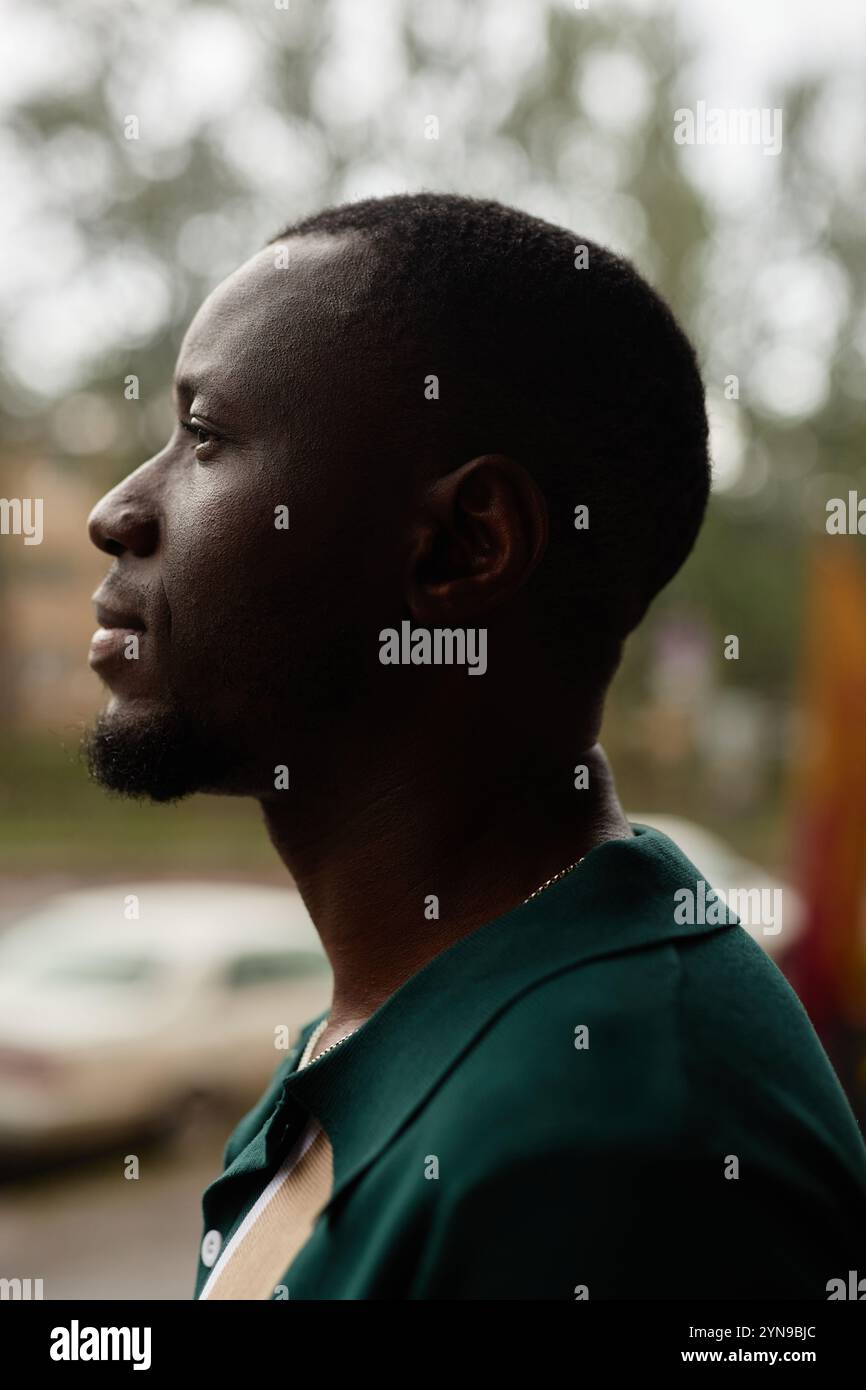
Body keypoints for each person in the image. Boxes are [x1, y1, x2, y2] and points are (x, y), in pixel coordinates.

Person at [86, 193, 866, 1299]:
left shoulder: (608, 1145)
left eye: (205, 438)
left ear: (463, 546)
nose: (117, 510)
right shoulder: (398, 1018)